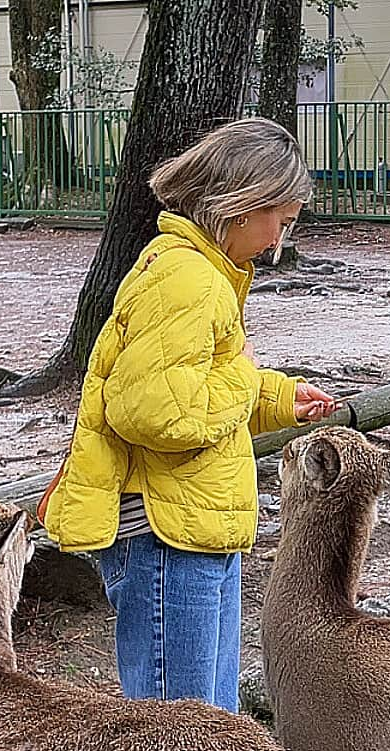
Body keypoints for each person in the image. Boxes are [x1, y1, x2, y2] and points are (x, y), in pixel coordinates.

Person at [42, 118, 338, 713]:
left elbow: (200, 394)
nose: (280, 241)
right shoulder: (187, 278)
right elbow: (155, 414)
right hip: (165, 536)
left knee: (212, 727)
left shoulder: (207, 276)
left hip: (197, 525)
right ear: (242, 205)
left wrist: (278, 399)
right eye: (280, 221)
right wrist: (245, 375)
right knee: (176, 733)